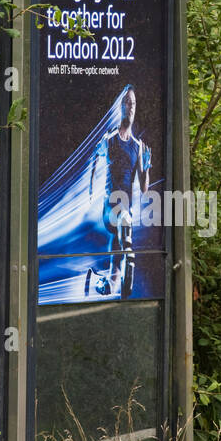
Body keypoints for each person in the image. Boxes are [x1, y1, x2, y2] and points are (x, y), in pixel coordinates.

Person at [88, 85, 150, 296]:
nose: (130, 108)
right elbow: (94, 164)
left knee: (113, 282)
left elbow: (144, 187)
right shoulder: (109, 139)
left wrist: (147, 168)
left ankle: (100, 284)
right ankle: (129, 255)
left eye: (133, 104)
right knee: (124, 222)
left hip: (126, 214)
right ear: (121, 107)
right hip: (111, 209)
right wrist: (90, 191)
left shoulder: (138, 146)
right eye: (127, 103)